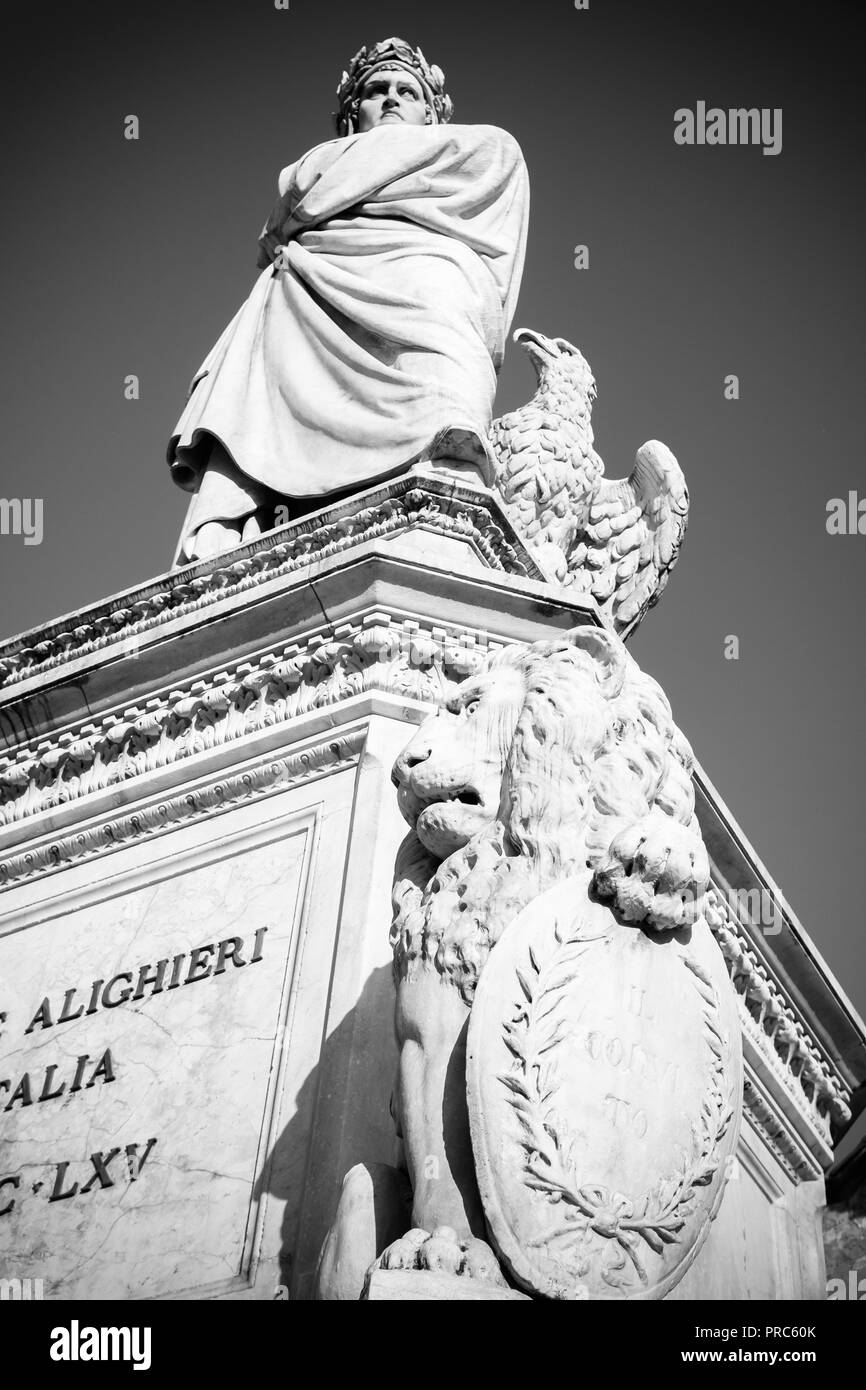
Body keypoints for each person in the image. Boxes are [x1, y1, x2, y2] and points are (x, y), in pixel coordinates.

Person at [167, 37, 530, 563]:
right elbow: (293, 207)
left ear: (431, 114)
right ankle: (256, 510)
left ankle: (444, 471)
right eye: (376, 90)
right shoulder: (313, 167)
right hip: (312, 281)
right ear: (351, 114)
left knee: (445, 333)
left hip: (425, 274)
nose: (390, 98)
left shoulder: (483, 148)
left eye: (406, 91)